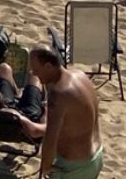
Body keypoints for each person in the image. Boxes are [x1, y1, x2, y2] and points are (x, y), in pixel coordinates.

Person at [31, 44, 103, 178]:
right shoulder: (80, 75)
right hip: (96, 156)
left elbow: (50, 139)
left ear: (48, 66)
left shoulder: (58, 95)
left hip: (74, 167)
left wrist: (45, 167)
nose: (34, 74)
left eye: (36, 70)